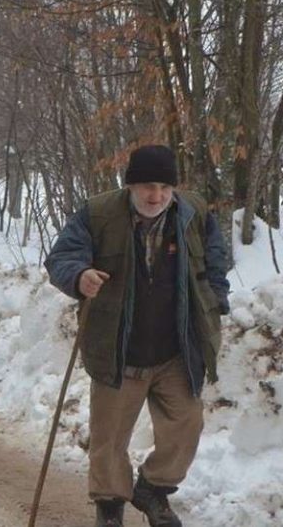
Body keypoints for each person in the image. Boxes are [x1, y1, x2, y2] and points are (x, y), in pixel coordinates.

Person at [44, 145, 230, 527]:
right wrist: (79, 276)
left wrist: (215, 299)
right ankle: (110, 505)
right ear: (129, 185)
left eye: (164, 186)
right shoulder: (97, 214)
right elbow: (61, 257)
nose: (156, 196)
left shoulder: (193, 213)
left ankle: (153, 489)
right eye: (147, 185)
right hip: (119, 348)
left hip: (176, 349)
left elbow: (215, 260)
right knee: (109, 438)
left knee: (187, 424)